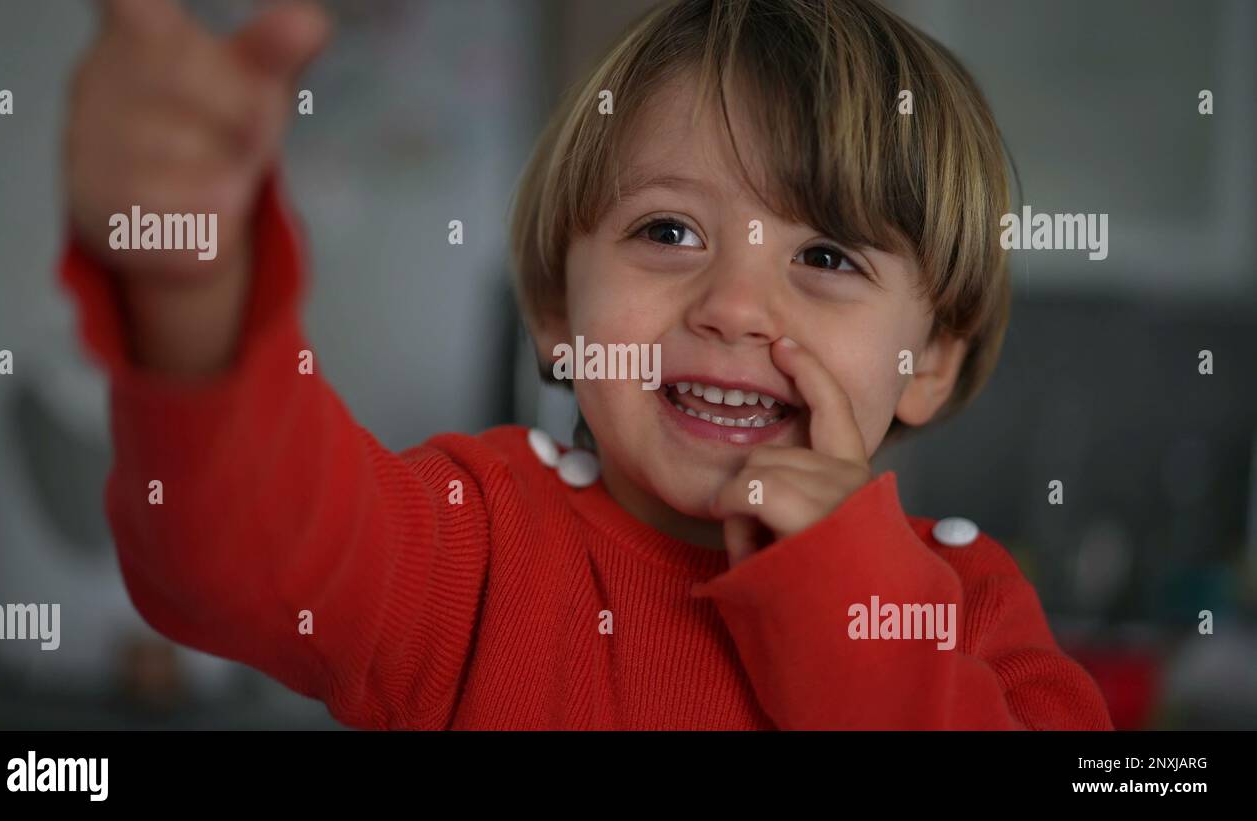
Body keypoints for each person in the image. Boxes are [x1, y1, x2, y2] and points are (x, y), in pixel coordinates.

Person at [59, 0, 1113, 729]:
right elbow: (238, 556)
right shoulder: (476, 546)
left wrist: (844, 602)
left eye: (826, 256)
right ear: (559, 312)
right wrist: (190, 290)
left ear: (928, 358)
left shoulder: (969, 606)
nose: (735, 306)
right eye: (666, 231)